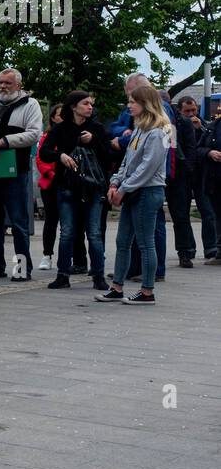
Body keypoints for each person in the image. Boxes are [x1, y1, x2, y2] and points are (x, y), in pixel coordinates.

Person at [97, 85, 173, 305]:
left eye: (133, 102)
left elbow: (148, 168)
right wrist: (115, 182)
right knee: (123, 241)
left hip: (148, 192)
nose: (128, 106)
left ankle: (147, 291)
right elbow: (128, 162)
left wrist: (122, 189)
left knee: (145, 243)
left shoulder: (160, 131)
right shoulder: (139, 128)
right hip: (132, 191)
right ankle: (117, 287)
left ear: (146, 103)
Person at [38, 90, 110, 291]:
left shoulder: (97, 128)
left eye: (91, 104)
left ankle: (98, 275)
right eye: (86, 103)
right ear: (74, 106)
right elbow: (44, 152)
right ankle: (63, 275)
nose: (90, 107)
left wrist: (93, 141)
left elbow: (109, 155)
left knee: (94, 233)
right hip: (67, 186)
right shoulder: (60, 129)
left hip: (93, 188)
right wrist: (59, 155)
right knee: (67, 232)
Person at [0, 68, 43, 281]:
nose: (2, 87)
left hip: (17, 171)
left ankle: (22, 268)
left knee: (18, 222)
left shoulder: (30, 105)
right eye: (0, 82)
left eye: (7, 83)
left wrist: (3, 142)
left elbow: (34, 134)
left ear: (18, 85)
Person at [167, 96, 218, 265]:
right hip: (184, 175)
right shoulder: (177, 124)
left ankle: (211, 248)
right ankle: (188, 249)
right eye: (187, 111)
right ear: (180, 110)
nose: (191, 114)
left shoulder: (207, 125)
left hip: (201, 176)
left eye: (194, 110)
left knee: (208, 213)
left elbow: (206, 146)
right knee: (182, 213)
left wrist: (200, 129)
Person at [36, 104, 63, 271]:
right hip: (50, 184)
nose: (63, 118)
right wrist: (52, 174)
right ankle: (47, 255)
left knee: (69, 223)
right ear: (53, 117)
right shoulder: (47, 136)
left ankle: (73, 256)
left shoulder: (71, 134)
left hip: (66, 183)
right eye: (60, 115)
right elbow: (40, 159)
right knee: (51, 221)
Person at [204, 112, 221, 265]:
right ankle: (219, 252)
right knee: (218, 214)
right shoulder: (213, 126)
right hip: (215, 179)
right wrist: (209, 152)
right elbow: (199, 148)